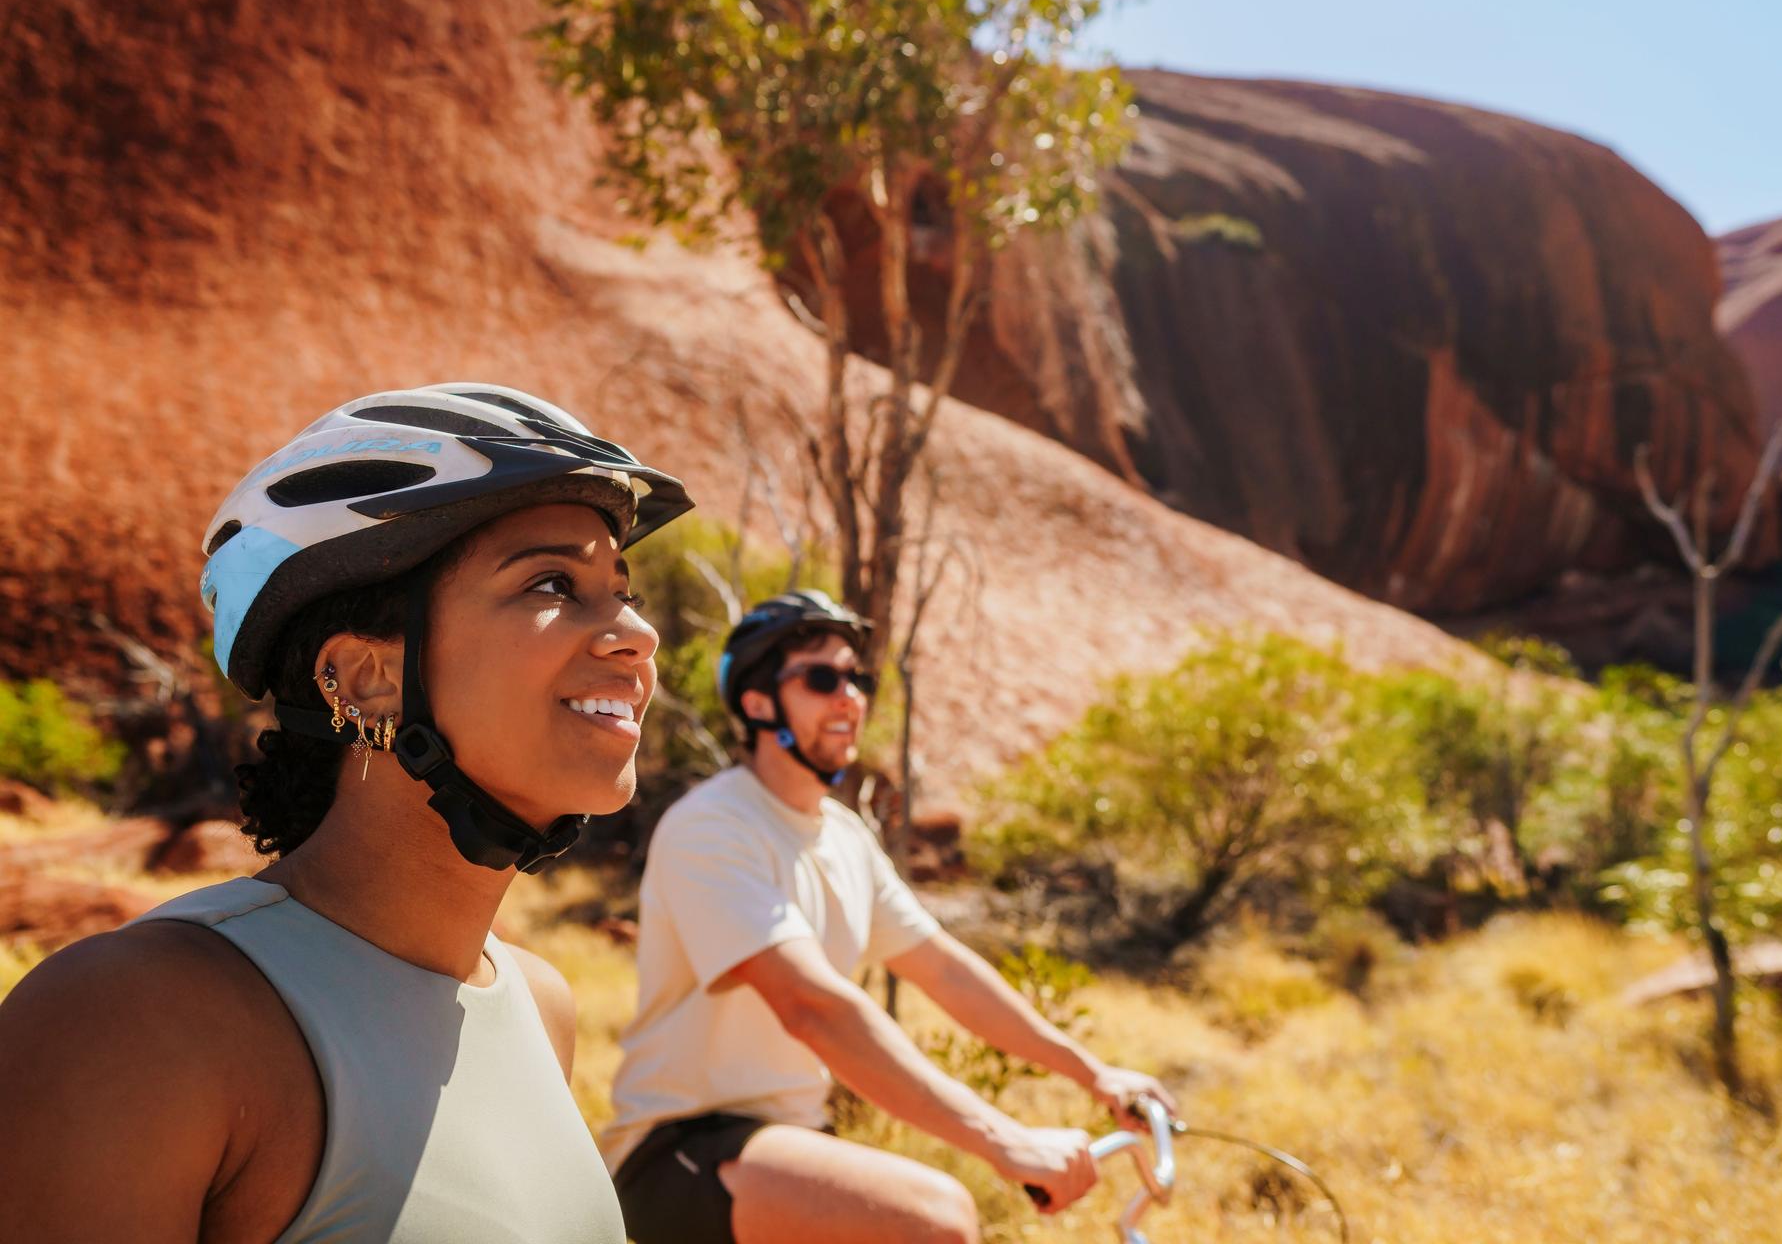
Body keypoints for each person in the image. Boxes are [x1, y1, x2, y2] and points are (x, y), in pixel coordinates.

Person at [0, 383, 693, 1242]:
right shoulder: (135, 1019)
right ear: (364, 678)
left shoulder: (539, 1007)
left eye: (620, 589)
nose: (636, 633)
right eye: (554, 582)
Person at [602, 590, 1178, 1244]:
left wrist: (1094, 1074)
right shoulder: (714, 827)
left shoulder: (843, 835)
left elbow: (945, 971)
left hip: (790, 1142)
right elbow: (811, 1006)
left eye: (857, 677)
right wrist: (1004, 1141)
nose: (850, 696)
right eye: (822, 678)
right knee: (934, 1220)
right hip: (682, 1147)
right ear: (758, 704)